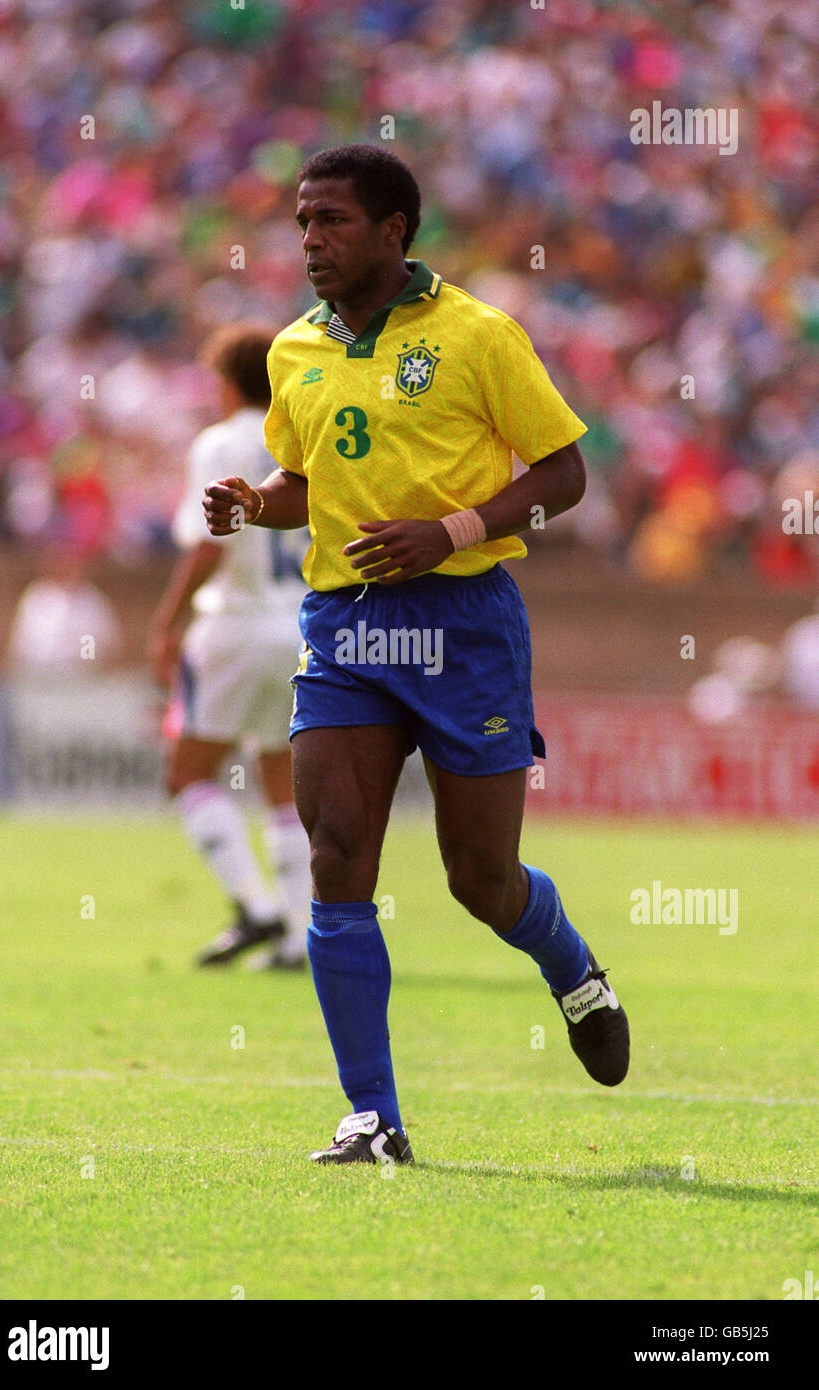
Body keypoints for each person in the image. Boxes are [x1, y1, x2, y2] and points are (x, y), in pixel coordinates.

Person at [203, 145, 629, 1163]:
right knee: (336, 851)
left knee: (480, 880)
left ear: (395, 230)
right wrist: (259, 503)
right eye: (303, 221)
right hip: (344, 626)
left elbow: (564, 471)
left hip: (463, 624)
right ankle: (372, 1116)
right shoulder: (295, 351)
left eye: (333, 221)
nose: (310, 239)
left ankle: (573, 970)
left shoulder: (478, 334)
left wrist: (454, 528)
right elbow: (308, 479)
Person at [150, 322, 311, 969]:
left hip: (238, 623)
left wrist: (168, 621)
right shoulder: (298, 437)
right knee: (284, 784)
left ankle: (255, 908)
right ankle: (300, 937)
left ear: (226, 382)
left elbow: (207, 544)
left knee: (187, 773)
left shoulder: (221, 442)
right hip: (301, 623)